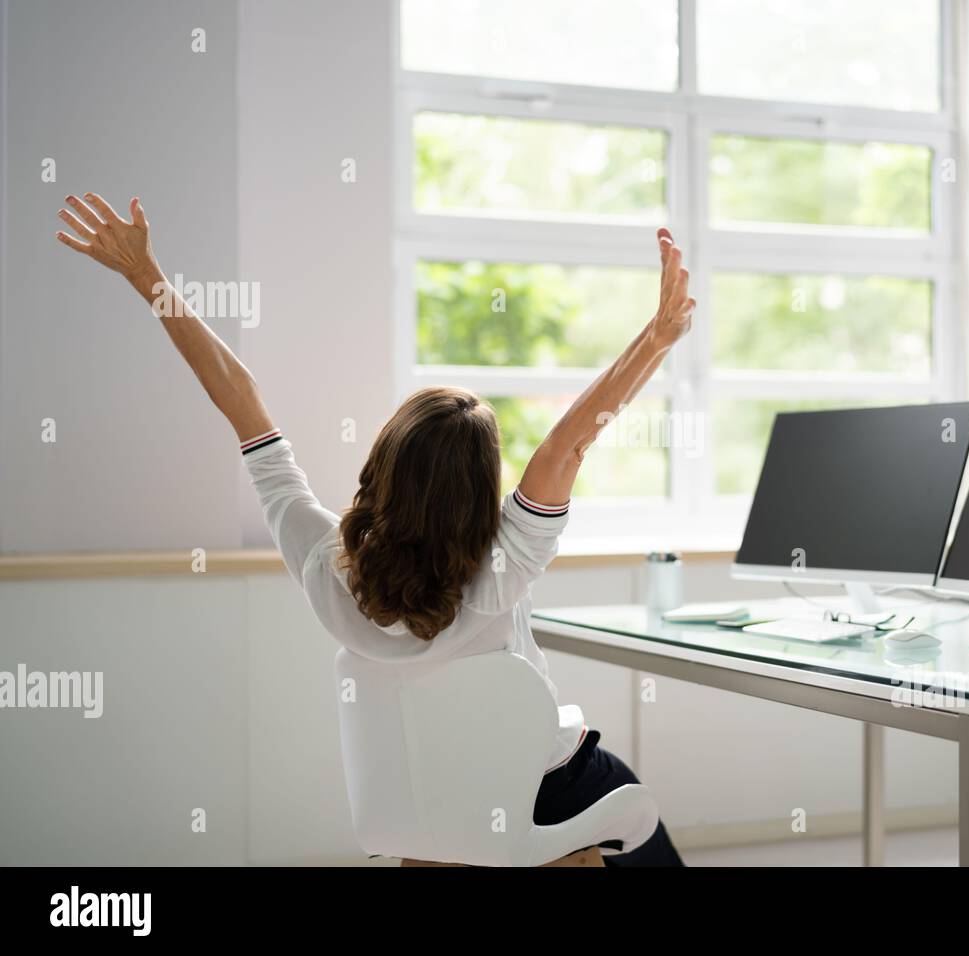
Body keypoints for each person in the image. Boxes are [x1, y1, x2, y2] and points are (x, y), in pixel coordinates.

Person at [56, 192, 692, 866]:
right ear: (481, 494)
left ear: (381, 464)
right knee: (620, 786)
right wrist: (657, 337)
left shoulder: (323, 559)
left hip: (422, 810)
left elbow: (239, 401)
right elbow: (567, 444)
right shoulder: (502, 568)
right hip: (534, 798)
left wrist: (145, 275)